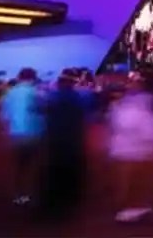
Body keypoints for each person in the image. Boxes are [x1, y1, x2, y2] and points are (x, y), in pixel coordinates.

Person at [108, 72, 153, 224]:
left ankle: (124, 210)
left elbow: (114, 127)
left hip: (121, 150)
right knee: (137, 183)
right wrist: (152, 148)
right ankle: (133, 210)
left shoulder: (118, 108)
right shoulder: (142, 111)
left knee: (123, 182)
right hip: (136, 152)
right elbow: (149, 134)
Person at [40, 70, 88, 222]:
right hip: (72, 139)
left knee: (54, 170)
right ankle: (69, 200)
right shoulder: (76, 97)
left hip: (55, 138)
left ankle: (53, 203)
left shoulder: (52, 97)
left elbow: (45, 113)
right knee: (70, 170)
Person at [0, 68, 44, 206]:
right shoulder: (37, 92)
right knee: (35, 166)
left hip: (16, 133)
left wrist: (6, 134)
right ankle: (33, 196)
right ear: (33, 78)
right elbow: (43, 112)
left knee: (20, 166)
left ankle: (19, 195)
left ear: (19, 77)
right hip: (34, 133)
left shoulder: (10, 93)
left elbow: (5, 117)